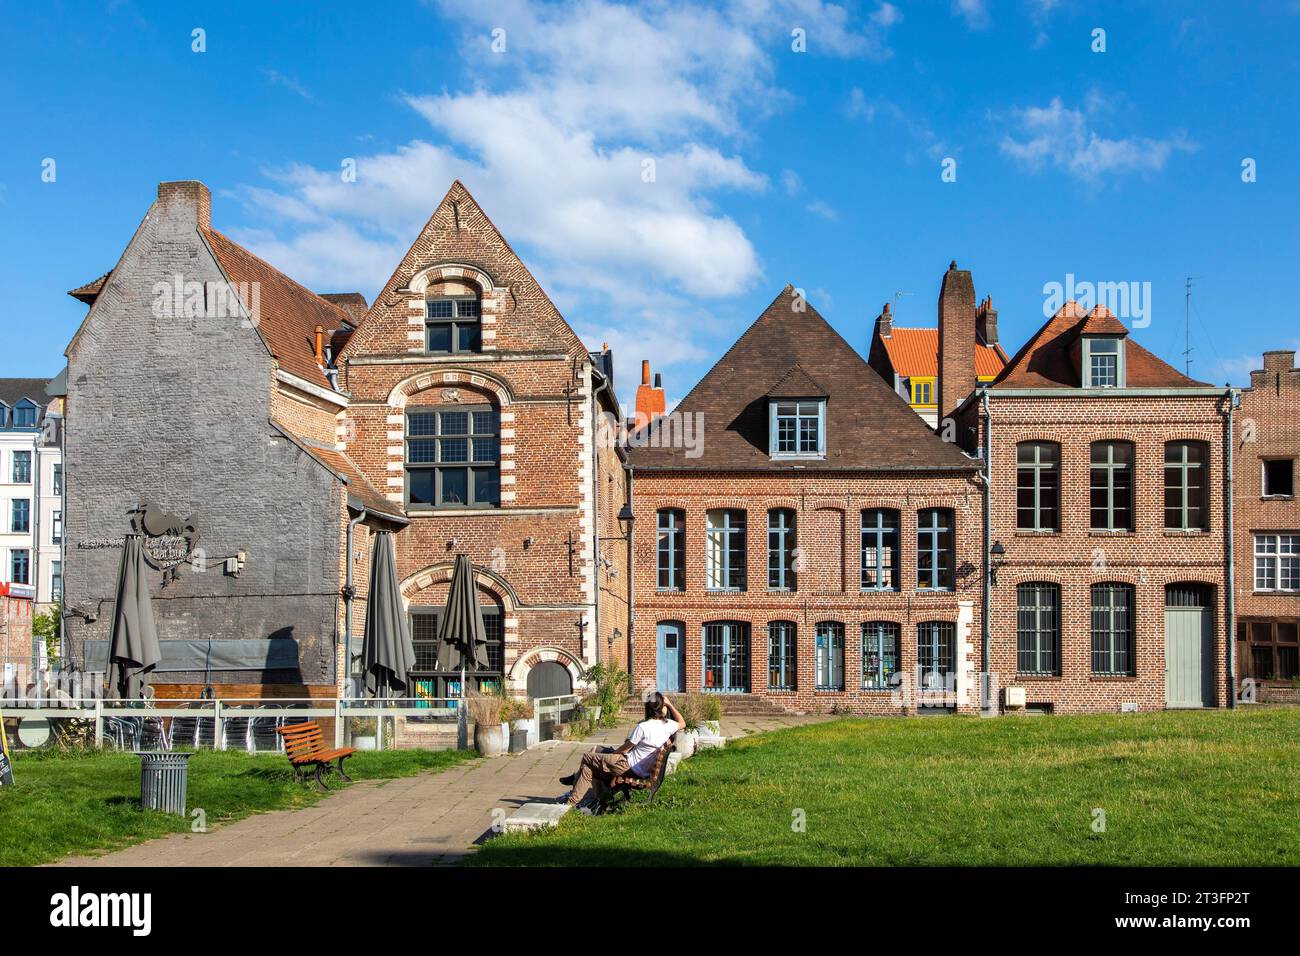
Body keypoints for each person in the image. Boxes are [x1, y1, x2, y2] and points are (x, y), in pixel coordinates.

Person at [559, 692, 685, 810]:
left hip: (627, 766)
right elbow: (682, 723)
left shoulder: (643, 727)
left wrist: (612, 756)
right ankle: (574, 803)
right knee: (588, 769)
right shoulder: (668, 725)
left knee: (587, 757)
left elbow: (625, 748)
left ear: (647, 707)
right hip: (639, 768)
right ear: (662, 707)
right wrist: (669, 704)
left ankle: (576, 782)